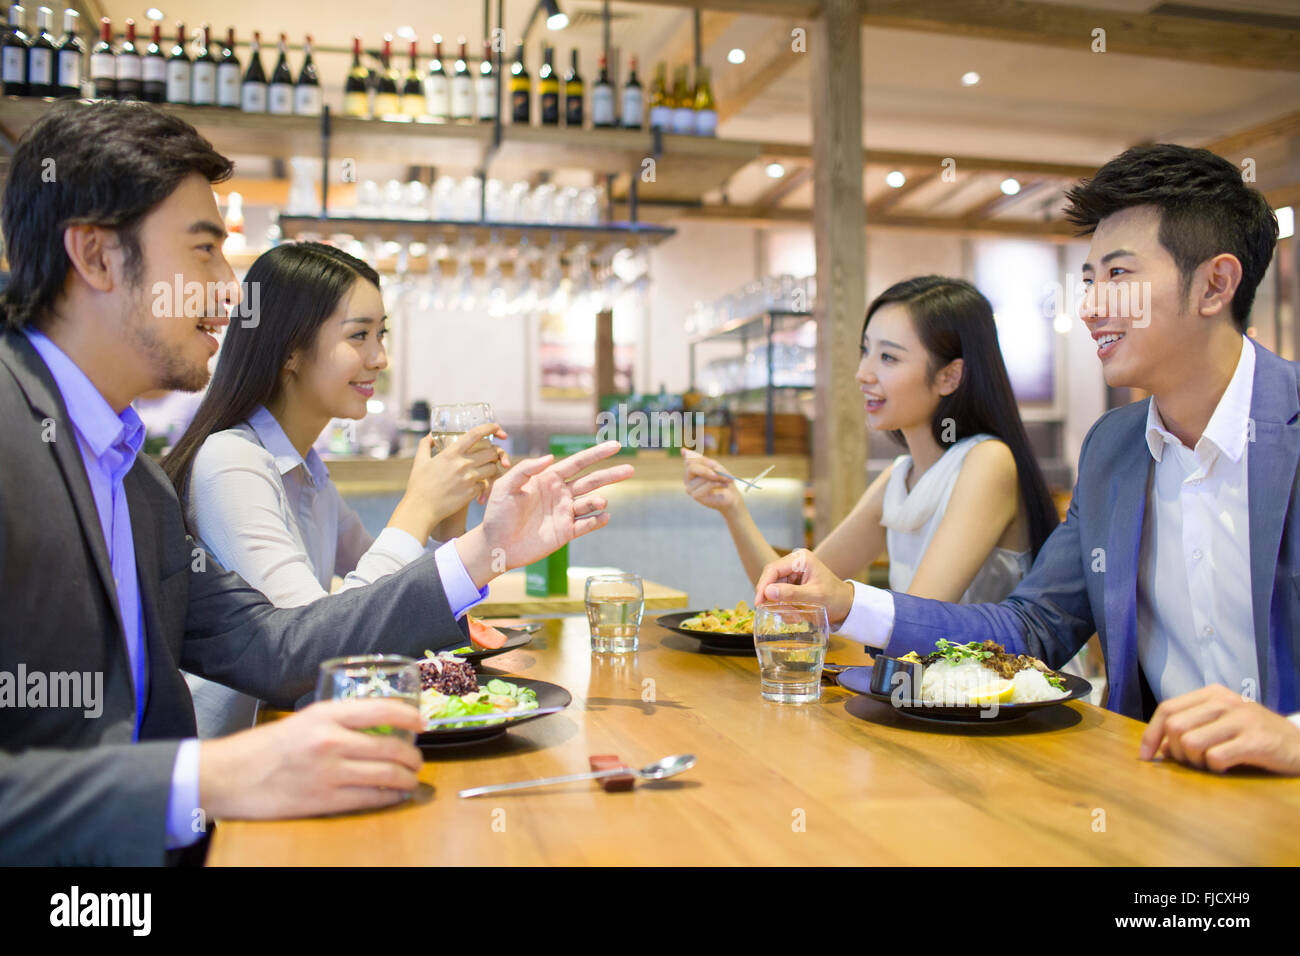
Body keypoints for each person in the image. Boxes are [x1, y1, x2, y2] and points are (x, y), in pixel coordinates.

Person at [0, 99, 633, 865]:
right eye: (204, 252)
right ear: (96, 257)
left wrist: (486, 549)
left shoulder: (133, 475)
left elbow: (278, 646)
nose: (231, 293)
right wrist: (203, 777)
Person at [755, 143, 1300, 776]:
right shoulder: (1112, 449)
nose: (1091, 306)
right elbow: (1034, 628)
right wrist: (849, 602)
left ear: (1215, 285)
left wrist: (1292, 737)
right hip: (1163, 798)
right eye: (1089, 279)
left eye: (1118, 276)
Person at [161, 242, 507, 737]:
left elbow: (392, 609)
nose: (381, 358)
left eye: (381, 335)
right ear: (290, 351)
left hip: (295, 740)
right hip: (226, 777)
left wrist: (448, 511)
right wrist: (417, 505)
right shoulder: (230, 460)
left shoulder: (308, 471)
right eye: (359, 335)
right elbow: (318, 649)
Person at [685, 276, 1059, 606]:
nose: (863, 373)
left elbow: (920, 618)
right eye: (866, 351)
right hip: (918, 683)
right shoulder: (901, 477)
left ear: (949, 376)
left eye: (888, 358)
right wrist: (732, 505)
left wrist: (842, 599)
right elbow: (791, 593)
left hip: (1004, 685)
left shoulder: (988, 461)